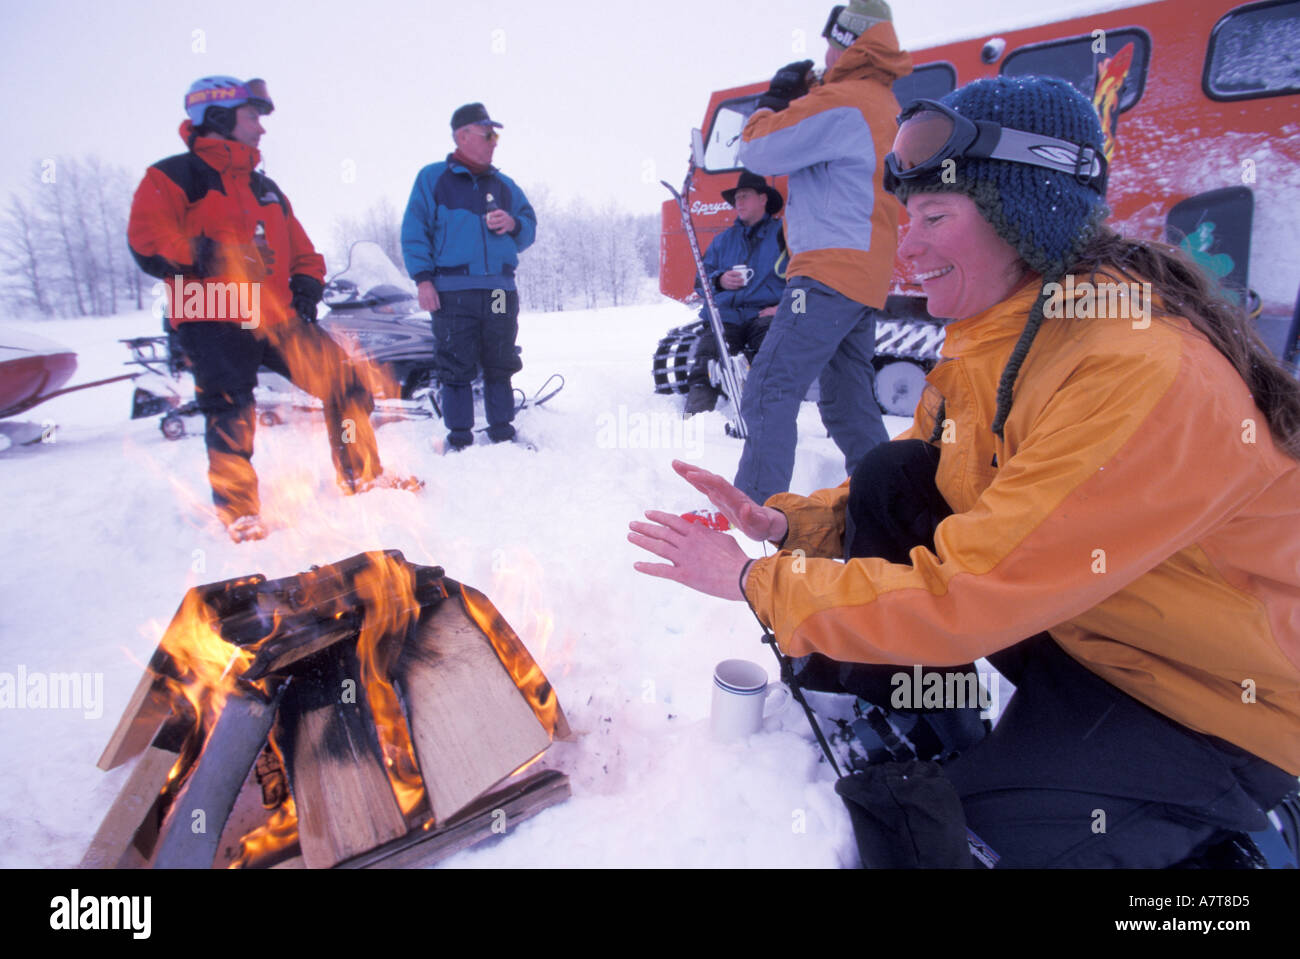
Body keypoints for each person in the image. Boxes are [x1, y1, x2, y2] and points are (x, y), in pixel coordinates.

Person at [630, 74, 1300, 868]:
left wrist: (754, 579)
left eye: (935, 216)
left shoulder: (1137, 368)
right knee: (893, 473)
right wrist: (787, 527)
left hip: (1205, 700)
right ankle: (930, 718)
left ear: (1028, 217)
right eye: (907, 217)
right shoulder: (1000, 335)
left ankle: (1229, 860)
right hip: (1088, 624)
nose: (906, 246)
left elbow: (973, 587)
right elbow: (939, 486)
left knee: (957, 844)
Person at [128, 76, 412, 544]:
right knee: (230, 410)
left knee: (345, 382)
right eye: (252, 116)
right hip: (211, 313)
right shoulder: (172, 176)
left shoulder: (266, 188)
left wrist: (305, 285)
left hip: (277, 317)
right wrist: (213, 252)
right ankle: (240, 514)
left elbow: (303, 250)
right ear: (218, 117)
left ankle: (363, 478)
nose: (261, 128)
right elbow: (147, 242)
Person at [730, 0, 911, 505]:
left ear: (849, 41)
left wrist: (772, 101)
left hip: (828, 273)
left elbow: (760, 150)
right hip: (864, 275)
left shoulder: (842, 100)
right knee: (847, 402)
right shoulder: (883, 104)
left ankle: (755, 517)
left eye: (830, 44)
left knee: (768, 387)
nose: (825, 55)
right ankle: (888, 505)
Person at [401, 103, 537, 451]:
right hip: (452, 290)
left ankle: (503, 434)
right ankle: (459, 440)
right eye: (487, 134)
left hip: (498, 290)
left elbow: (528, 228)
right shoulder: (433, 179)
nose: (495, 141)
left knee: (500, 362)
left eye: (496, 135)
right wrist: (424, 280)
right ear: (462, 136)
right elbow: (415, 232)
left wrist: (514, 224)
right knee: (455, 364)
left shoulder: (505, 186)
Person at [684, 171, 785, 416]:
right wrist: (718, 281)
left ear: (763, 199)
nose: (738, 202)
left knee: (770, 364)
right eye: (736, 198)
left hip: (765, 316)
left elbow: (807, 281)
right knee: (706, 363)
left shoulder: (786, 235)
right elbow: (699, 281)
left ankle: (766, 422)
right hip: (725, 317)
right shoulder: (722, 241)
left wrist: (787, 308)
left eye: (744, 196)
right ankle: (695, 423)